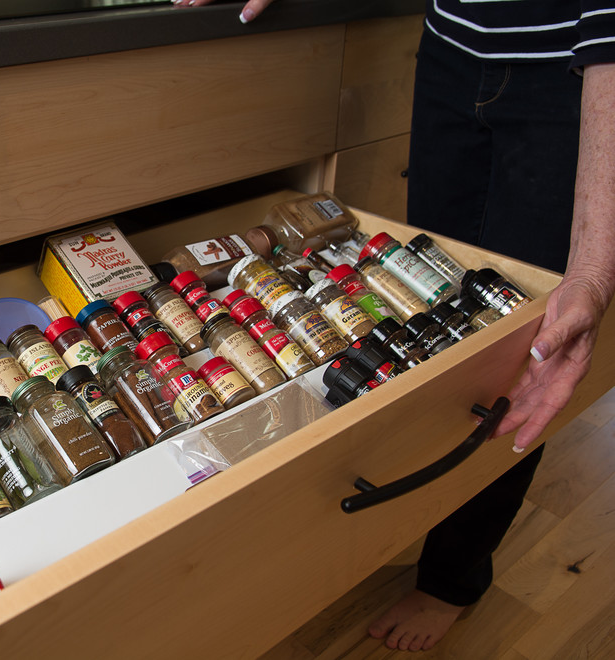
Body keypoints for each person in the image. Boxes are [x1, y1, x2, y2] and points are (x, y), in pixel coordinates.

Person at [178, 0, 615, 651]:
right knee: (437, 316)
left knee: (519, 345)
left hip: (572, 68)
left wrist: (593, 274)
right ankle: (412, 506)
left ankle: (453, 578)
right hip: (452, 44)